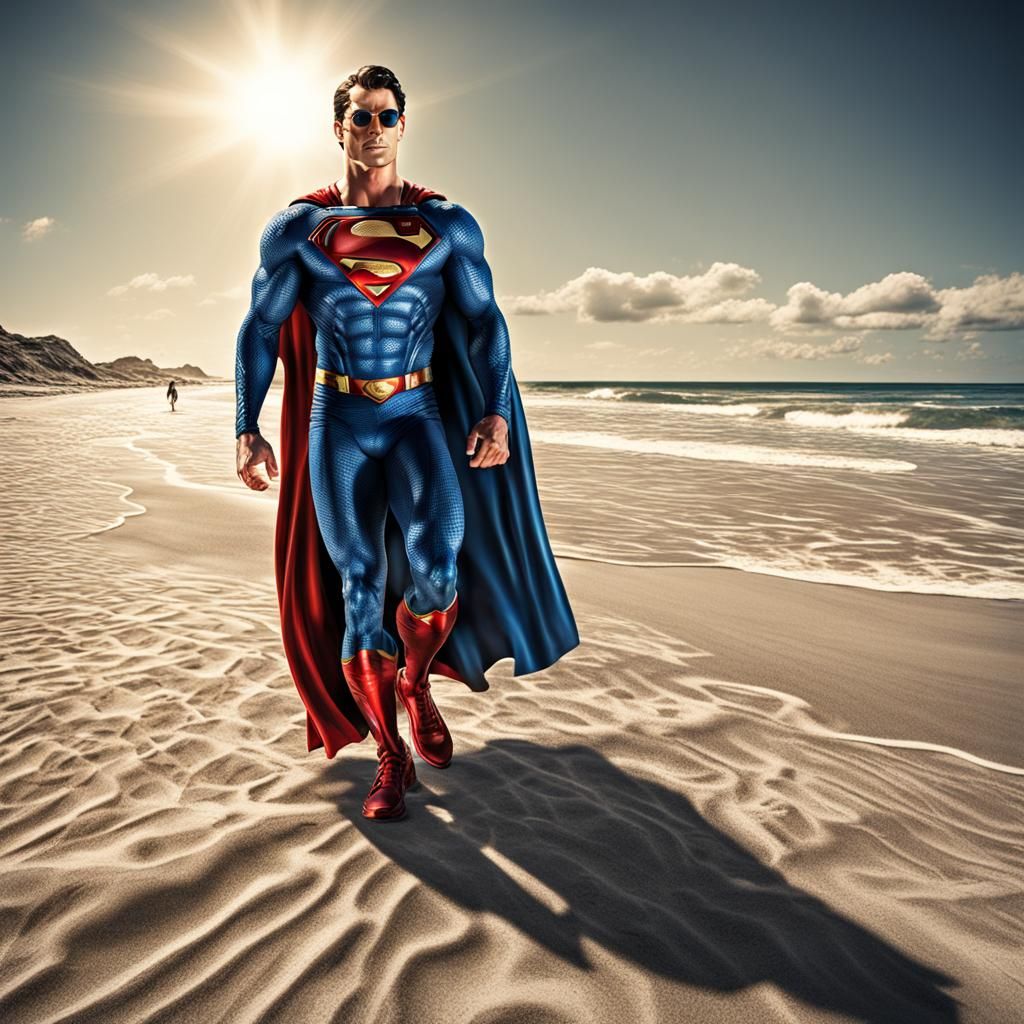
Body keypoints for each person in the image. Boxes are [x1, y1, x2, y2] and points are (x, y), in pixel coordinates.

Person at [235, 65, 577, 821]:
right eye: (361, 117)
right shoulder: (298, 228)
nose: (374, 129)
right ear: (339, 127)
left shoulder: (448, 224)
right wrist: (246, 425)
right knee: (359, 582)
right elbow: (262, 328)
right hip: (338, 418)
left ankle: (415, 680)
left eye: (387, 117)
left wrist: (494, 411)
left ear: (402, 126)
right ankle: (390, 757)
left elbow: (485, 324)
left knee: (434, 568)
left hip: (419, 412)